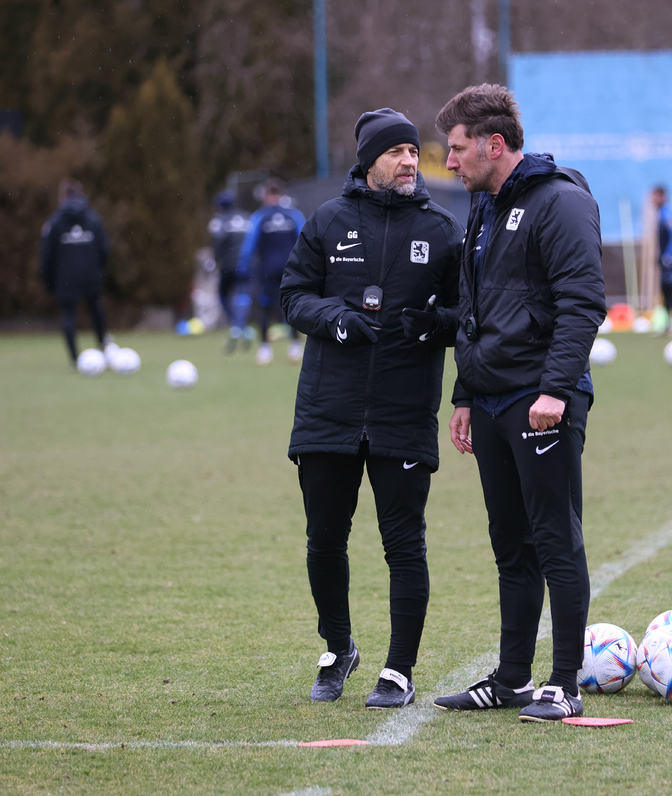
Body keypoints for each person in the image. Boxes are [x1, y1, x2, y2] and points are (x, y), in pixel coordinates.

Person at [431, 84, 606, 722]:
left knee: (555, 538)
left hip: (543, 400)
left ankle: (564, 682)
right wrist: (464, 393)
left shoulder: (560, 201)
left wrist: (555, 390)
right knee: (510, 543)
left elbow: (583, 304)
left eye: (456, 149)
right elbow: (475, 309)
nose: (448, 162)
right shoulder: (482, 207)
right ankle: (509, 679)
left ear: (493, 144)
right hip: (493, 399)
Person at [280, 108, 463, 709]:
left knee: (404, 546)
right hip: (328, 411)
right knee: (324, 539)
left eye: (414, 151)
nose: (410, 161)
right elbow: (293, 297)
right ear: (368, 161)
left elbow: (467, 316)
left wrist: (429, 323)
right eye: (397, 152)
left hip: (403, 413)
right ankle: (338, 648)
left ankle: (399, 671)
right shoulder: (328, 221)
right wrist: (336, 321)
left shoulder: (441, 229)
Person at [40, 180, 111, 366]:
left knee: (68, 313)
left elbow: (46, 256)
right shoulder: (94, 218)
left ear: (62, 197)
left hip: (66, 278)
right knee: (96, 308)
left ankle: (74, 358)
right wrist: (98, 270)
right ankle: (104, 347)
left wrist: (49, 282)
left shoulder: (54, 222)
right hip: (91, 274)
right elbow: (104, 250)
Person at [237, 178, 306, 364]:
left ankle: (265, 350)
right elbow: (305, 240)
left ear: (266, 194)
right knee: (291, 305)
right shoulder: (294, 215)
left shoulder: (260, 216)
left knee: (265, 307)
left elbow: (248, 246)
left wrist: (242, 269)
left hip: (267, 270)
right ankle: (295, 347)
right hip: (290, 269)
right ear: (281, 194)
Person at [207, 191, 255, 351]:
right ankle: (240, 326)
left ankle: (237, 326)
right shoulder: (248, 218)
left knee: (222, 295)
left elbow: (218, 244)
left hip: (227, 265)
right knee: (243, 294)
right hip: (247, 265)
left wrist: (215, 261)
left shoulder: (218, 221)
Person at [651, 186, 672, 334]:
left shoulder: (668, 213)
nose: (653, 200)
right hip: (666, 259)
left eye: (655, 196)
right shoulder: (660, 213)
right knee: (665, 290)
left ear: (662, 196)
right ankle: (668, 325)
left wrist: (669, 256)